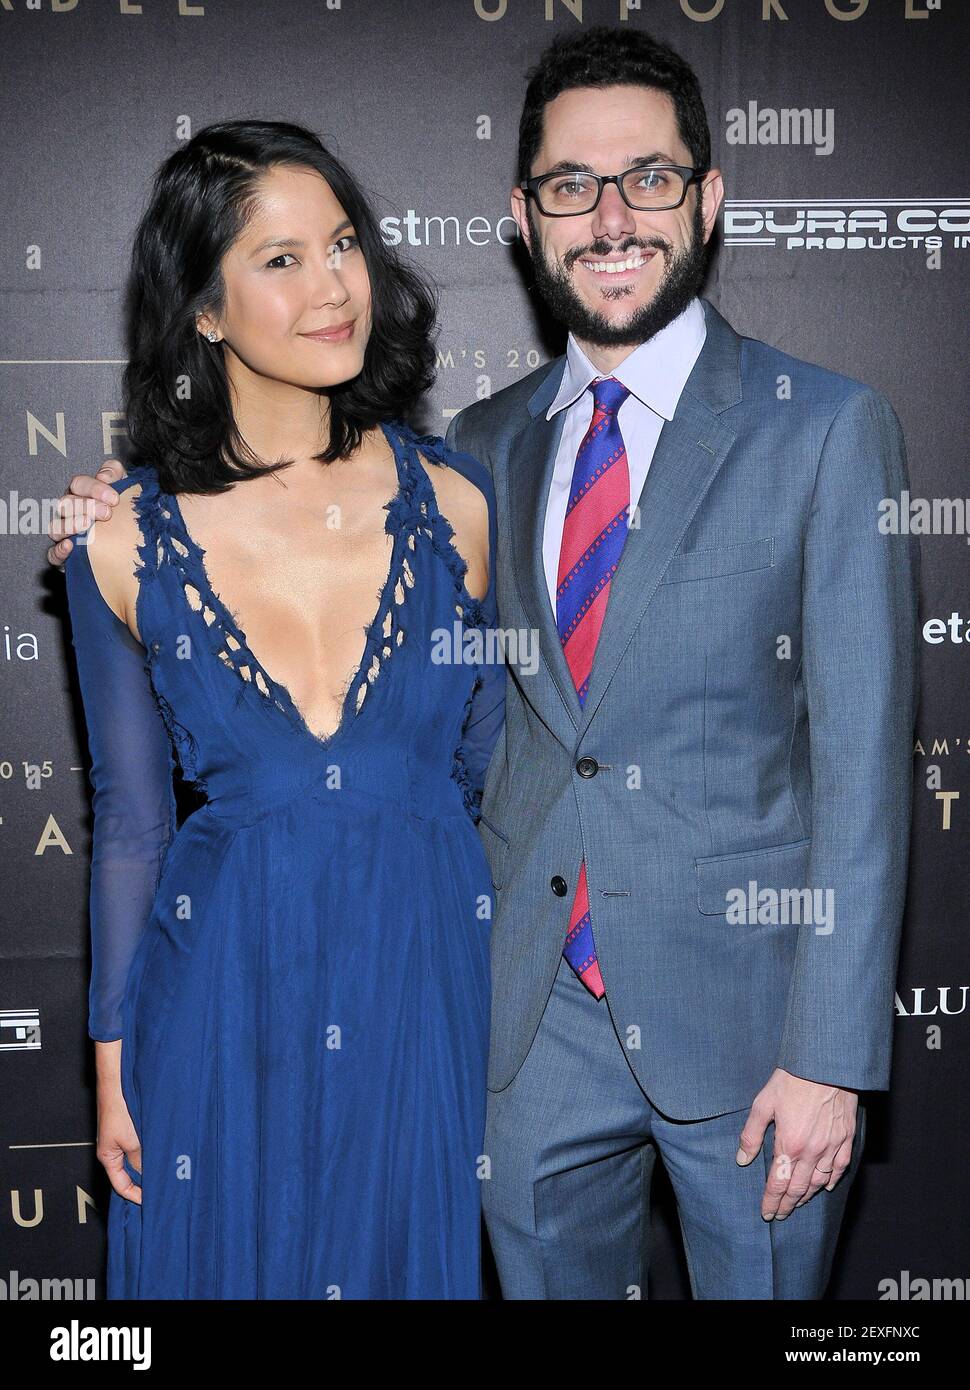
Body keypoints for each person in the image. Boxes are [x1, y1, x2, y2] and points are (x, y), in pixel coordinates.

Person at [51, 28, 921, 1302]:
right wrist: (115, 509)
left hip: (745, 1042)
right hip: (515, 1040)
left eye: (649, 178)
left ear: (709, 197)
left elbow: (864, 772)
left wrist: (831, 1055)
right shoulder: (486, 447)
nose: (611, 216)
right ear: (522, 216)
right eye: (572, 184)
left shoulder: (826, 430)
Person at [49, 119, 505, 1299]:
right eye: (282, 258)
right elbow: (132, 824)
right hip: (218, 991)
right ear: (204, 311)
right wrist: (111, 1059)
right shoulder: (116, 539)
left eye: (342, 243)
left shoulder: (460, 507)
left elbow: (485, 784)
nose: (333, 285)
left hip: (418, 983)